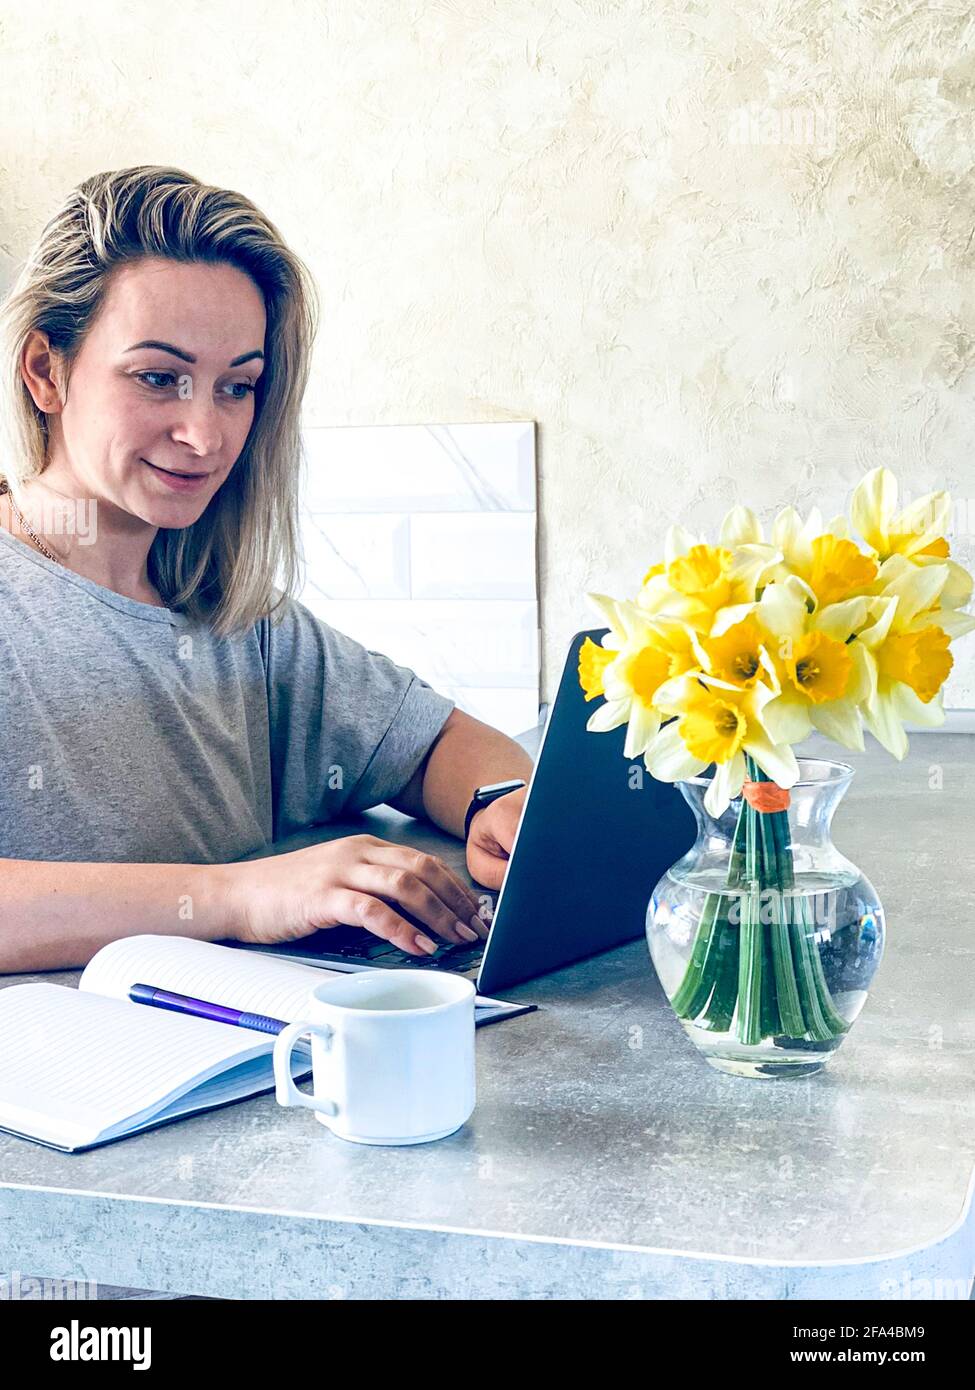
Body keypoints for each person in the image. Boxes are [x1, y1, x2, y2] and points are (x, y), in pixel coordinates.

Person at [0, 165, 533, 974]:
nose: (205, 434)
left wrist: (504, 804)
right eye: (158, 378)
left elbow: (431, 744)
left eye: (237, 387)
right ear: (46, 370)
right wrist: (240, 897)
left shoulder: (236, 617)